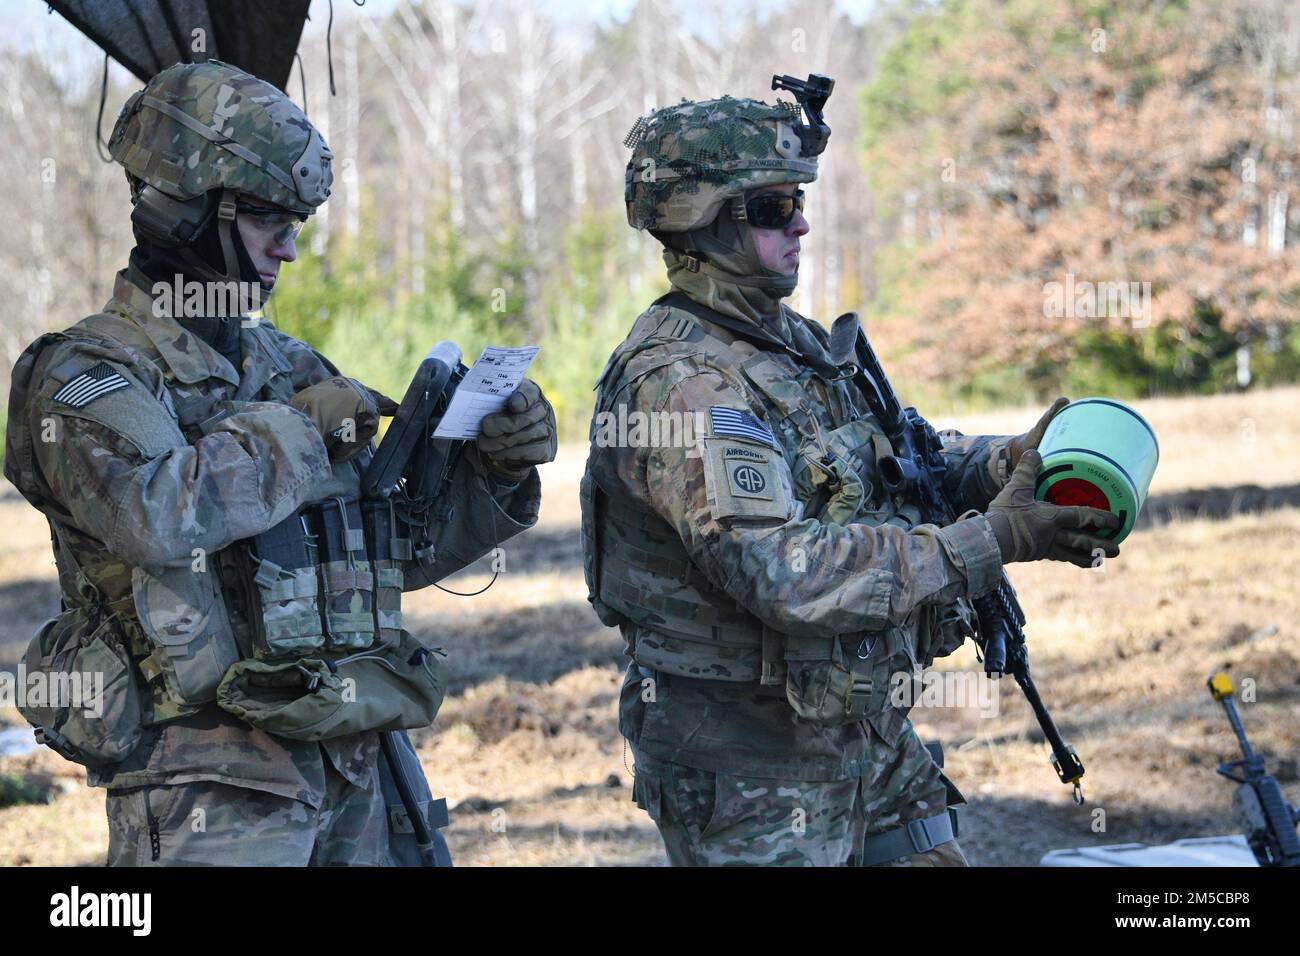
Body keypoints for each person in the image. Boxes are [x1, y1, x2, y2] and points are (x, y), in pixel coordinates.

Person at [3, 60, 556, 866]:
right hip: (206, 785)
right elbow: (156, 516)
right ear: (187, 210)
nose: (290, 250)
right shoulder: (87, 373)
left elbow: (390, 557)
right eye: (269, 220)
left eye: (298, 223)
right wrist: (298, 435)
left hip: (354, 762)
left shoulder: (289, 365)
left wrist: (495, 473)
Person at [581, 88, 1119, 866]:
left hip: (859, 728)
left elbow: (898, 461)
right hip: (749, 764)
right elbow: (781, 571)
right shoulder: (680, 384)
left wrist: (1003, 464)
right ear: (706, 219)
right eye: (773, 205)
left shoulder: (787, 343)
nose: (801, 221)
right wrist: (987, 542)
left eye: (798, 200)